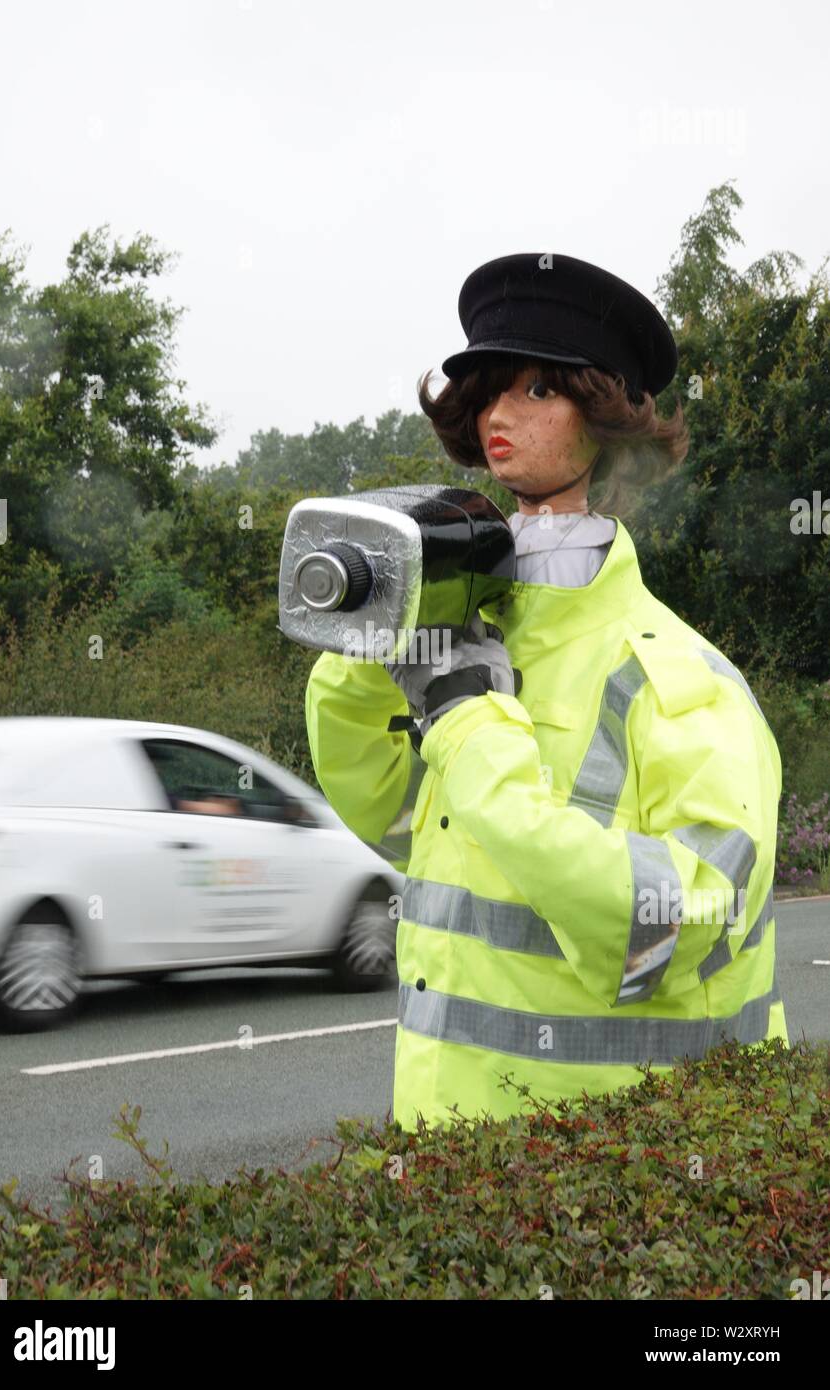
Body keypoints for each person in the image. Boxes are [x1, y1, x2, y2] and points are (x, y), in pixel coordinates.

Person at [304, 252, 787, 1132]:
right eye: (490, 390)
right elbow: (393, 818)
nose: (497, 414)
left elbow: (682, 921)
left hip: (608, 1186)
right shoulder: (477, 628)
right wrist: (375, 630)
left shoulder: (679, 680)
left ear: (606, 418)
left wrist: (466, 723)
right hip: (446, 1173)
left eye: (535, 391)